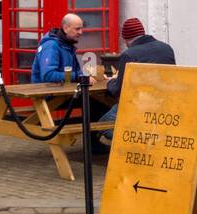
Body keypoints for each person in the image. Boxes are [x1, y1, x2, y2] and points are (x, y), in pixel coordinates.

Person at [95, 18, 175, 148]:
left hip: (139, 106)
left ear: (126, 39)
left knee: (101, 126)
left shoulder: (130, 54)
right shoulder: (166, 48)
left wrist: (110, 81)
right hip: (165, 104)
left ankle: (133, 148)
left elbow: (117, 90)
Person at [30, 14, 91, 84]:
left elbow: (75, 73)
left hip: (61, 91)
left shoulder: (67, 45)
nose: (81, 32)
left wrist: (90, 76)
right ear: (65, 29)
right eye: (77, 29)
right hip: (45, 93)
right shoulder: (51, 46)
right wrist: (79, 76)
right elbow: (48, 75)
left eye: (81, 28)